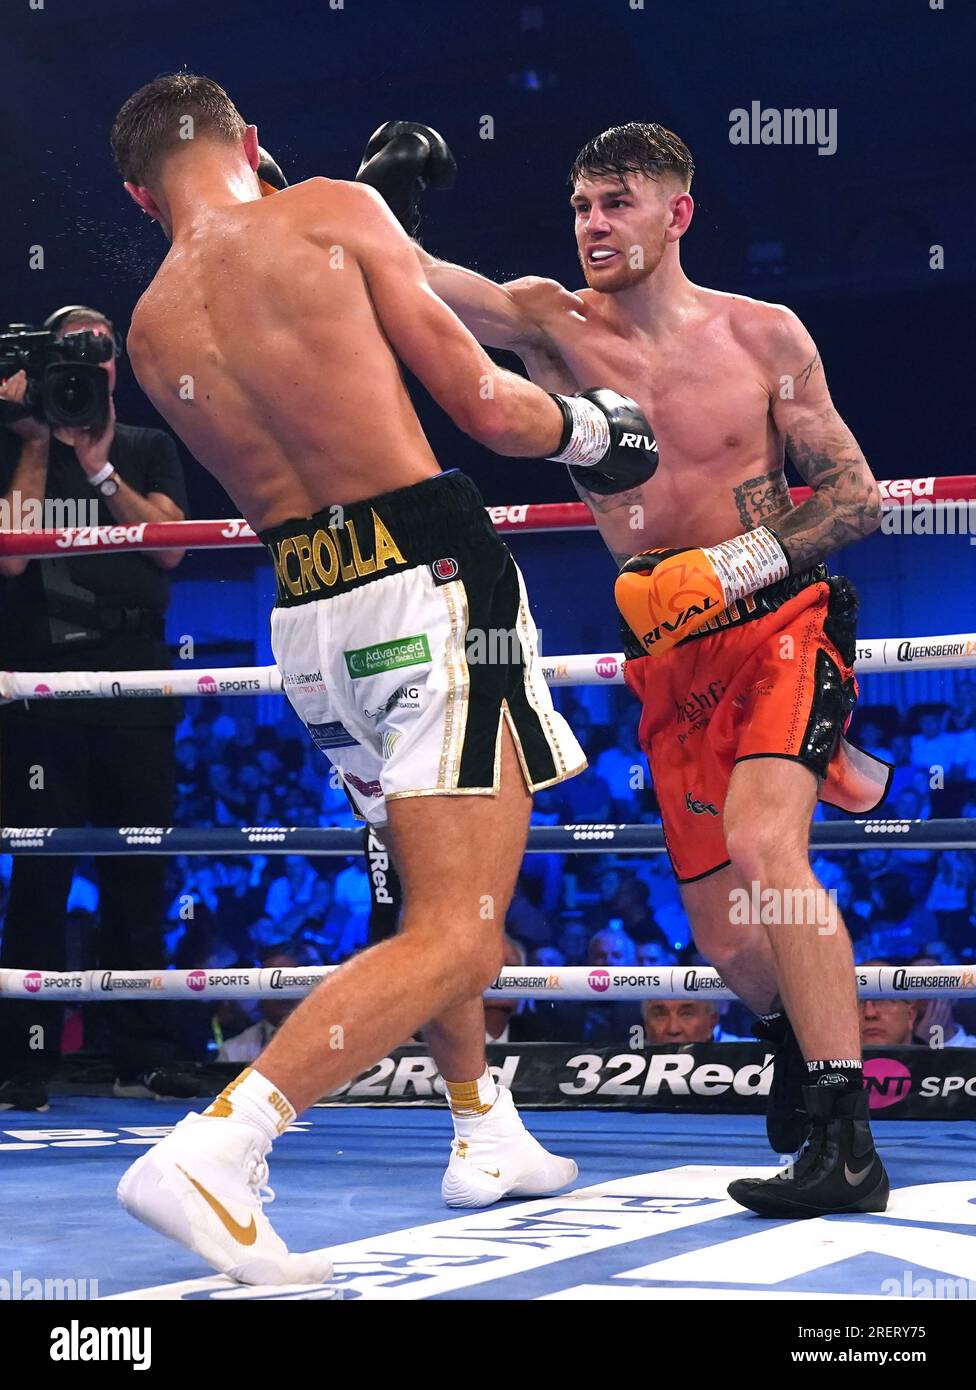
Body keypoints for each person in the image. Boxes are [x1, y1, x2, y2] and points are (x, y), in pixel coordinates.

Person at [108, 74, 656, 1284]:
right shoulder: (332, 210)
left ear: (141, 196)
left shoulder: (149, 326)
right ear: (253, 140)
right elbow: (486, 406)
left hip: (309, 622)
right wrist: (598, 430)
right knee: (463, 932)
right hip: (431, 584)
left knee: (428, 893)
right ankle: (218, 1146)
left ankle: (480, 1126)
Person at [398, 117, 892, 1215]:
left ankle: (847, 1140)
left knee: (767, 845)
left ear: (678, 214)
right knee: (722, 932)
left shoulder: (763, 333)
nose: (592, 223)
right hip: (667, 654)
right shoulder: (551, 322)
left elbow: (855, 495)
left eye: (616, 202)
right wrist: (314, 195)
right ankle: (795, 1044)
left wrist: (733, 563)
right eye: (581, 205)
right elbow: (410, 275)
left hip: (784, 616)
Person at [0, 304, 190, 1109]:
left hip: (136, 686)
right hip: (41, 690)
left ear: (117, 363)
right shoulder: (12, 447)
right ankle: (23, 1062)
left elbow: (171, 548)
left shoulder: (146, 445)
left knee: (137, 871)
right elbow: (11, 561)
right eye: (70, 351)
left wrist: (101, 468)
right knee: (40, 873)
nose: (88, 362)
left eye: (99, 349)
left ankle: (140, 1056)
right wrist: (34, 441)